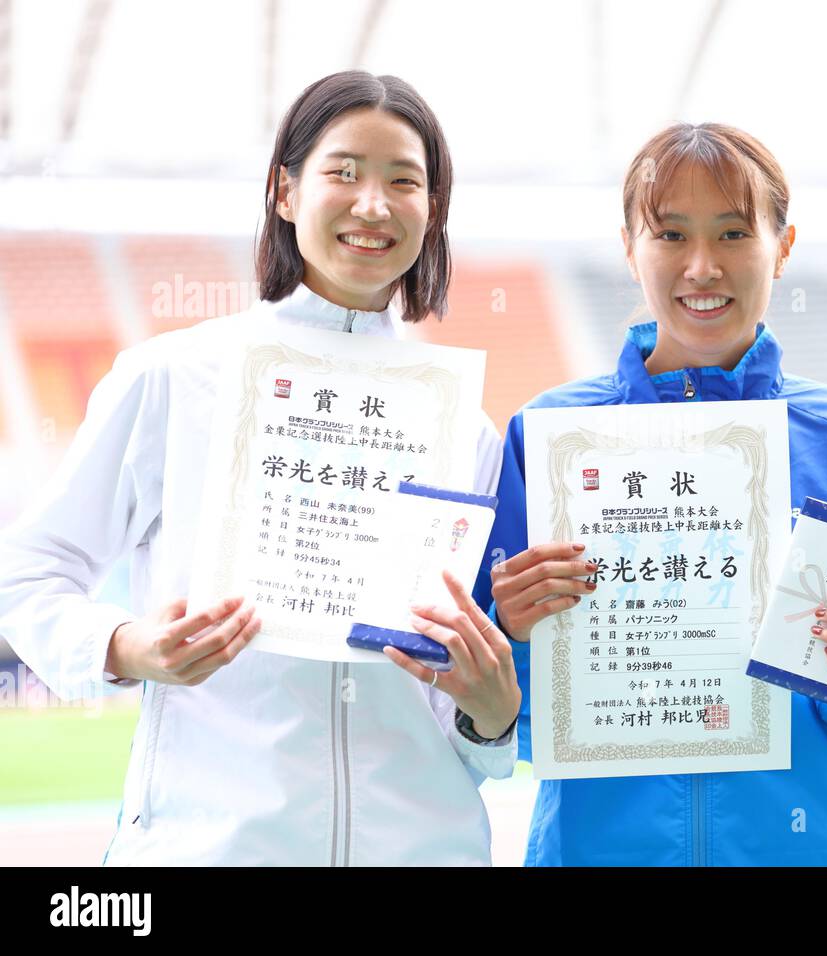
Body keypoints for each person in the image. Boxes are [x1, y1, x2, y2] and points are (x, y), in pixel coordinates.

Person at [0, 71, 521, 865]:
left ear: (434, 209)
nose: (373, 205)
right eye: (343, 172)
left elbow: (468, 724)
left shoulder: (467, 427)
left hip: (425, 846)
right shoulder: (174, 378)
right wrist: (126, 645)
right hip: (214, 846)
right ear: (284, 191)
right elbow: (27, 574)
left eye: (403, 181)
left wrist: (493, 715)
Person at [474, 123, 827, 865]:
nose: (703, 267)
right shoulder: (547, 438)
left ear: (783, 245)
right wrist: (510, 635)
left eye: (734, 233)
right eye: (671, 235)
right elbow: (498, 720)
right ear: (629, 249)